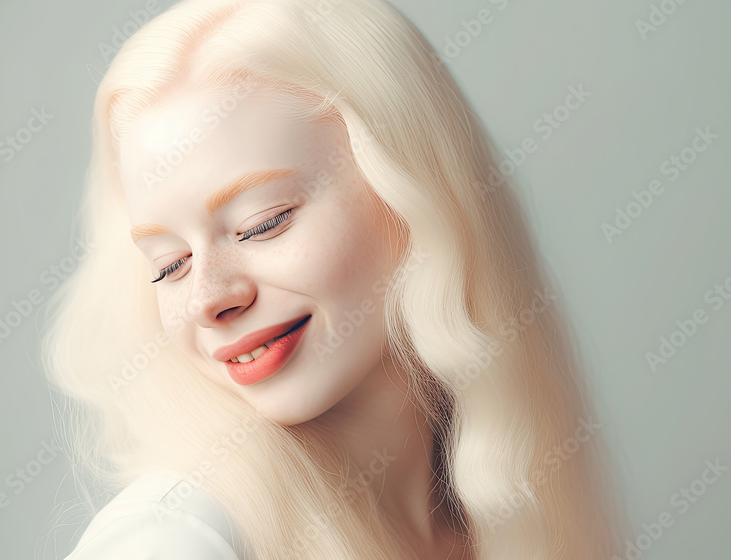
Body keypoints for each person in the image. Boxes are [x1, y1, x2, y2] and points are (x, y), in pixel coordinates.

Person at [42, 0, 628, 558]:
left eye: (260, 224)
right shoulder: (178, 535)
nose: (207, 299)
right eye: (169, 265)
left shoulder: (504, 509)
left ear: (408, 195)